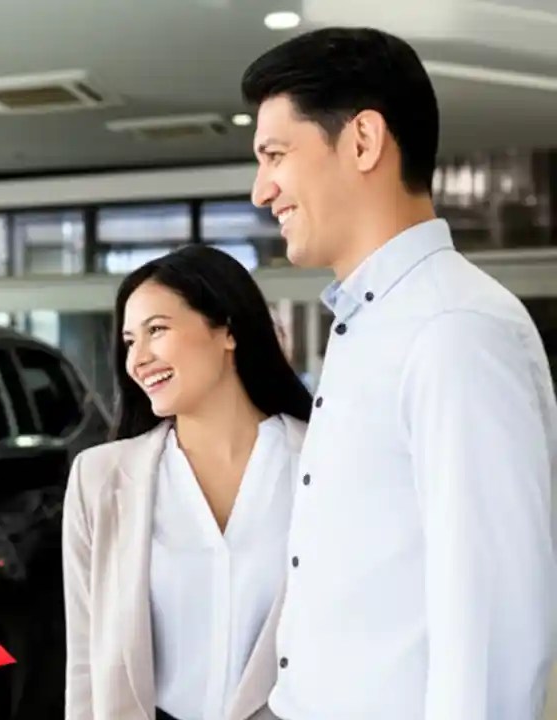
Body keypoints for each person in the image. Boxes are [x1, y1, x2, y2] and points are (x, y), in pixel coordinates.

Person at [242, 27, 557, 719]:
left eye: (274, 155)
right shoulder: (370, 320)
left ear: (362, 140)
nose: (261, 189)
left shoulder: (453, 329)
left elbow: (493, 625)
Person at [62, 244, 314, 720]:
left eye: (156, 330)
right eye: (129, 341)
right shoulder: (100, 479)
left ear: (228, 331)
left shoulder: (322, 462)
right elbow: (85, 664)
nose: (138, 359)